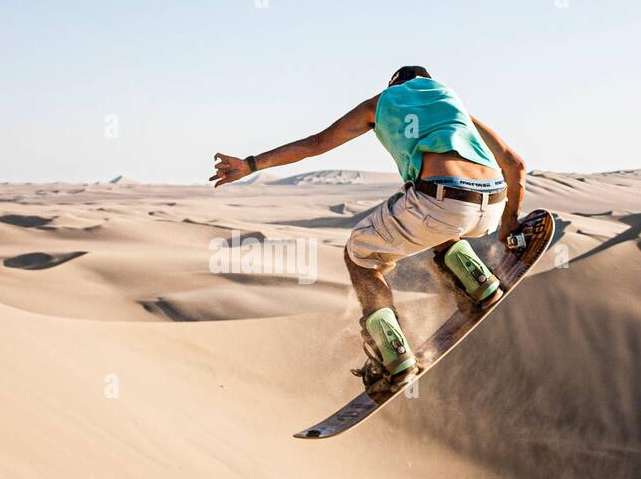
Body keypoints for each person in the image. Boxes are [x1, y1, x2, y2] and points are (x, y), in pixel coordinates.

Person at [211, 66, 526, 388]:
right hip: (491, 202)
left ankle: (393, 352)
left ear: (393, 85)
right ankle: (478, 281)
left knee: (360, 257)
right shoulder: (453, 106)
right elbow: (515, 163)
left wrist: (251, 164)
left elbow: (316, 143)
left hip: (440, 199)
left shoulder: (380, 104)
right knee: (437, 229)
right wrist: (509, 222)